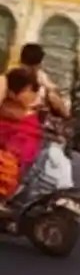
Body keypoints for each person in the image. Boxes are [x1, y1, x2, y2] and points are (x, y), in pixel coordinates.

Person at [0, 67, 44, 201]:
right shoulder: (16, 117)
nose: (34, 94)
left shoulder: (30, 119)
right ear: (12, 93)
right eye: (29, 90)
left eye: (34, 90)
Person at [0, 44, 71, 125]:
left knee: (52, 96)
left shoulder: (41, 78)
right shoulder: (9, 78)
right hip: (24, 117)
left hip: (29, 117)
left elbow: (54, 93)